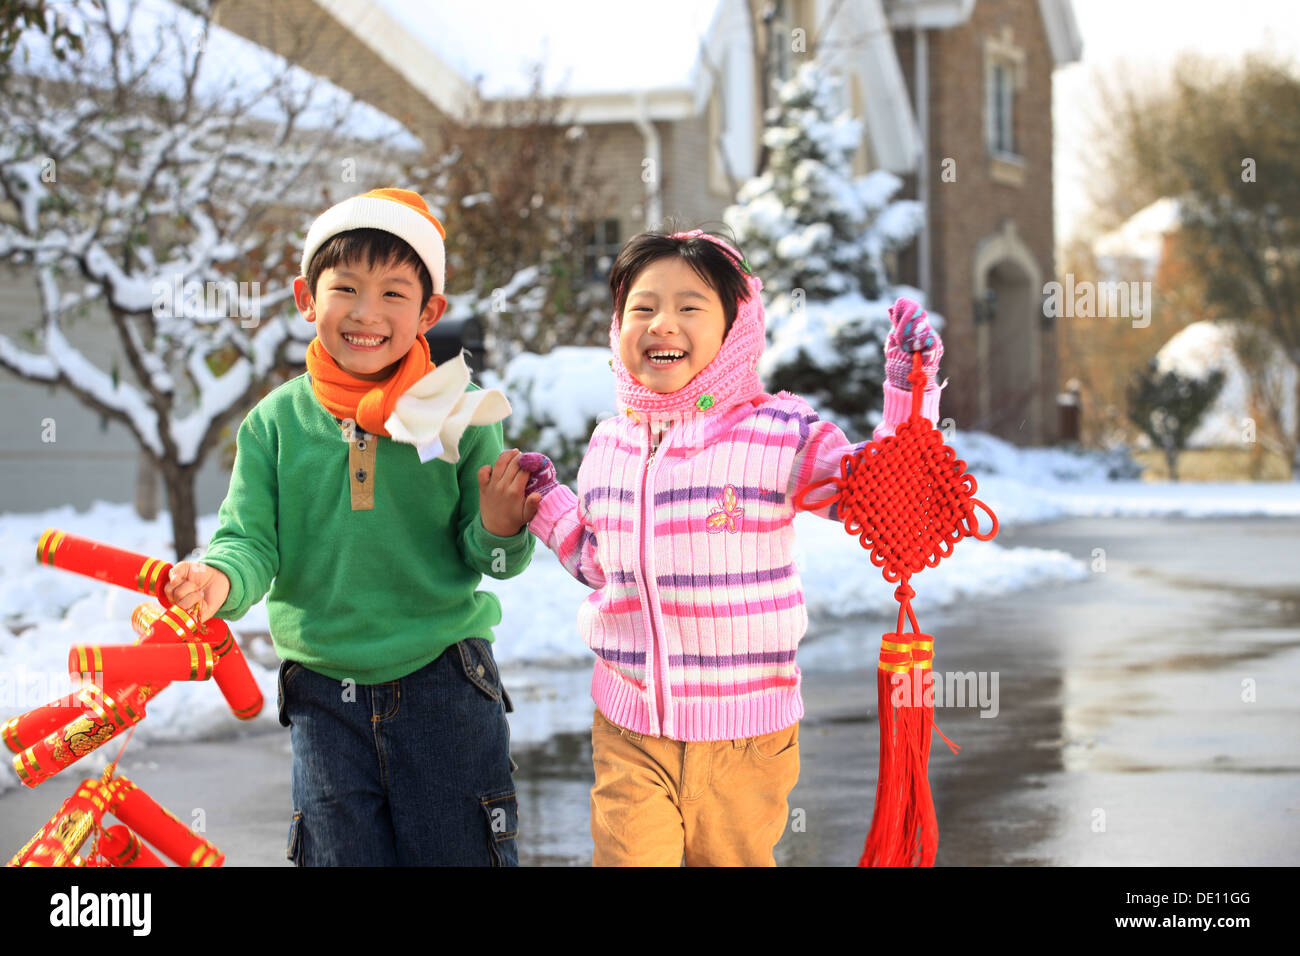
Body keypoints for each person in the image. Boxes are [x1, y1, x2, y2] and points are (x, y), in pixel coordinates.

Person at [482, 228, 944, 866]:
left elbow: (887, 495)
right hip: (630, 724)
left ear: (735, 329)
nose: (661, 324)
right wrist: (548, 502)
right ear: (619, 326)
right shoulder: (611, 443)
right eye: (642, 308)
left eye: (689, 307)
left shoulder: (777, 435)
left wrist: (909, 390)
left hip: (746, 736)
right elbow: (597, 559)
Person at [163, 187, 536, 866]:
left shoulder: (462, 414)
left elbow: (495, 560)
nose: (367, 313)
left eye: (394, 293)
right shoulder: (274, 422)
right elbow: (249, 538)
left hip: (444, 681)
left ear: (429, 311)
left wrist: (501, 528)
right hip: (322, 694)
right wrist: (219, 578)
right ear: (307, 298)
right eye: (346, 289)